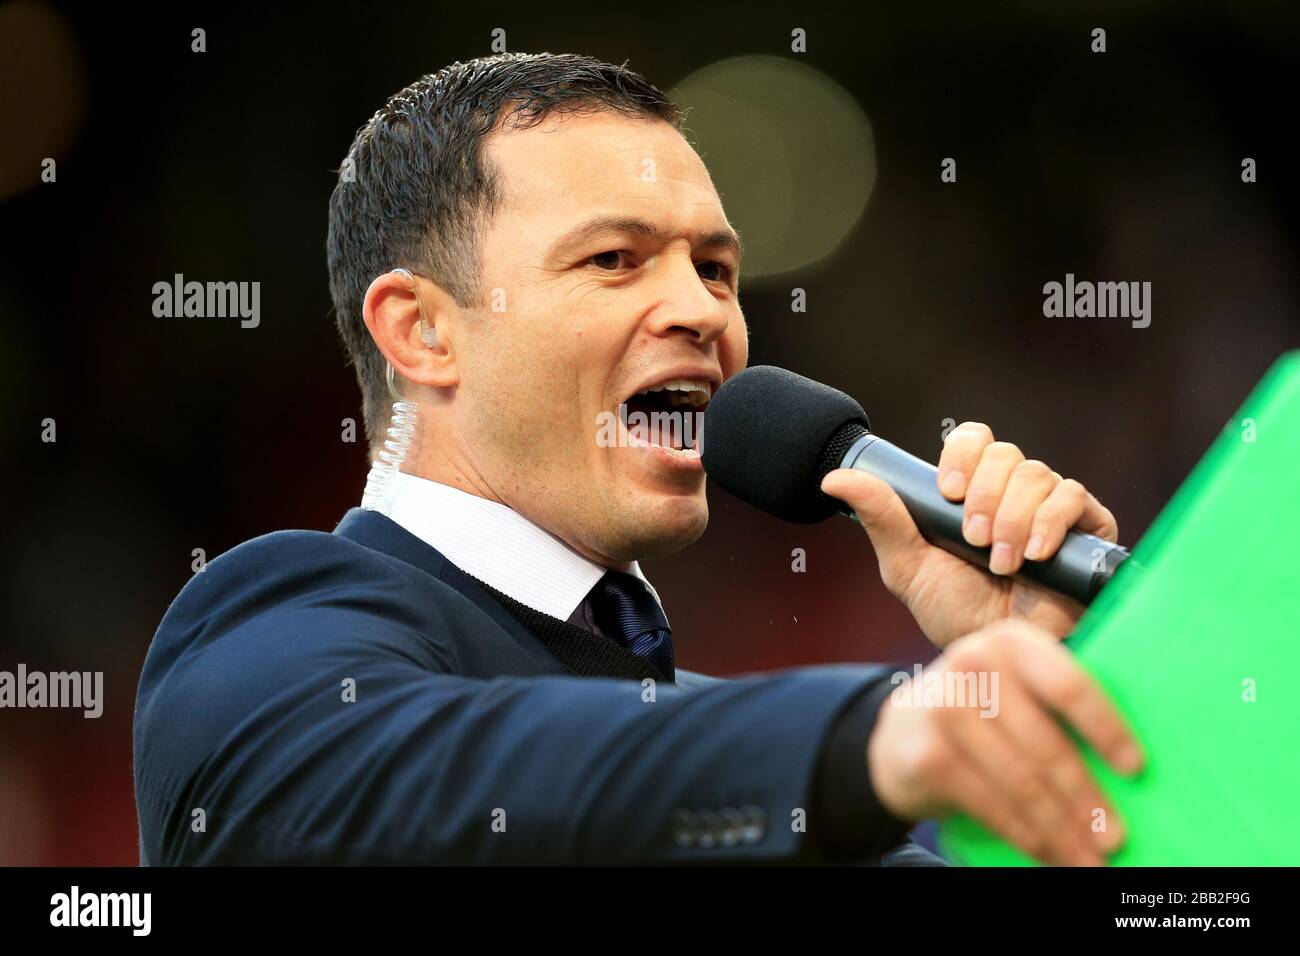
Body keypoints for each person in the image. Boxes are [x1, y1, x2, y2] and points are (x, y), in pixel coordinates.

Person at [133, 52, 1142, 866]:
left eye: (715, 268)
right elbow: (379, 787)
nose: (706, 309)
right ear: (423, 332)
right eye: (613, 258)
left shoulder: (766, 761)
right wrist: (869, 735)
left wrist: (1091, 696)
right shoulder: (278, 626)